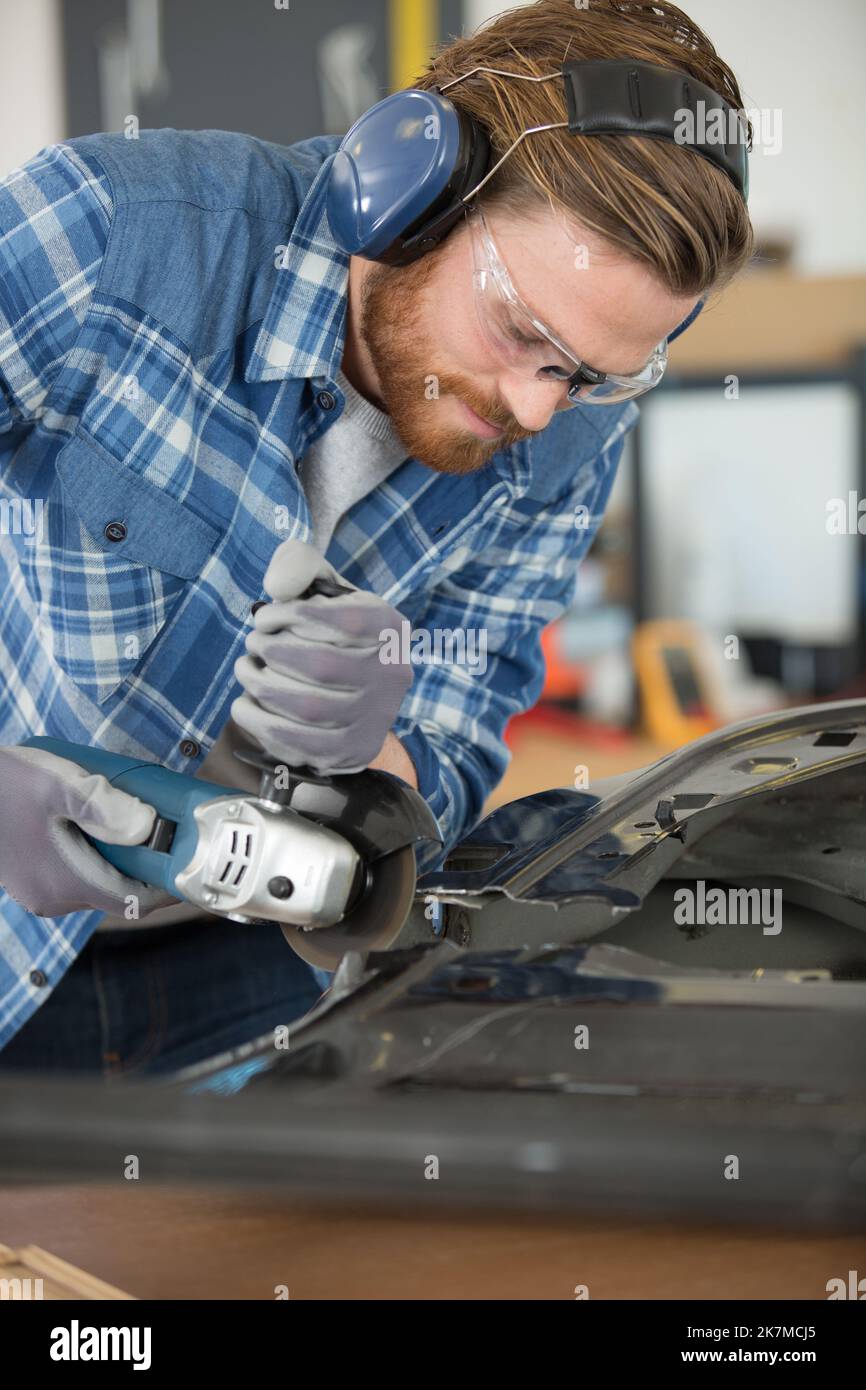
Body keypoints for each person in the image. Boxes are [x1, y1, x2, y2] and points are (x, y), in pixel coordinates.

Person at [0, 0, 753, 1075]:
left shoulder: (569, 438)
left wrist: (374, 754)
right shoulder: (112, 239)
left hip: (255, 964)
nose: (535, 410)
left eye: (589, 373)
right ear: (403, 193)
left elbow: (443, 772)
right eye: (523, 335)